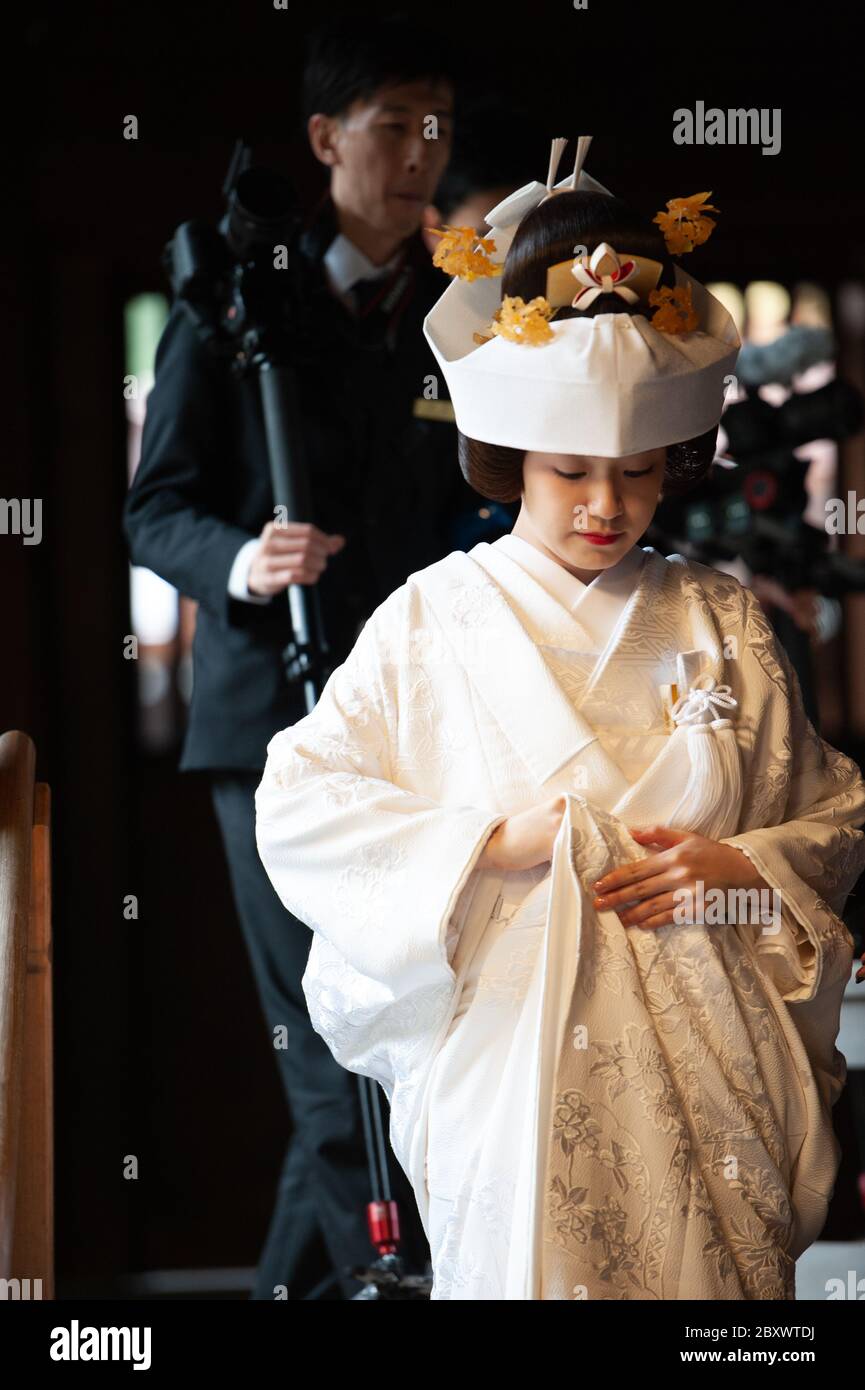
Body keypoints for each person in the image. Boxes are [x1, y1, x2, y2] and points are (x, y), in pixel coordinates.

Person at [254, 135, 865, 1299]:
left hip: (713, 1053)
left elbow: (830, 816)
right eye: (569, 472)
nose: (606, 506)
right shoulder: (433, 618)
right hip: (513, 1060)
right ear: (509, 456)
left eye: (638, 474)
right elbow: (303, 802)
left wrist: (728, 864)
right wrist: (493, 844)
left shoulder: (717, 619)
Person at [122, 15, 482, 1299]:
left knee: (376, 1052)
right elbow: (151, 507)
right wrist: (242, 558)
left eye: (436, 125)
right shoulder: (231, 298)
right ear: (327, 139)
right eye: (394, 125)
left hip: (414, 719)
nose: (420, 153)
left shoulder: (454, 305)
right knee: (330, 1064)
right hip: (270, 716)